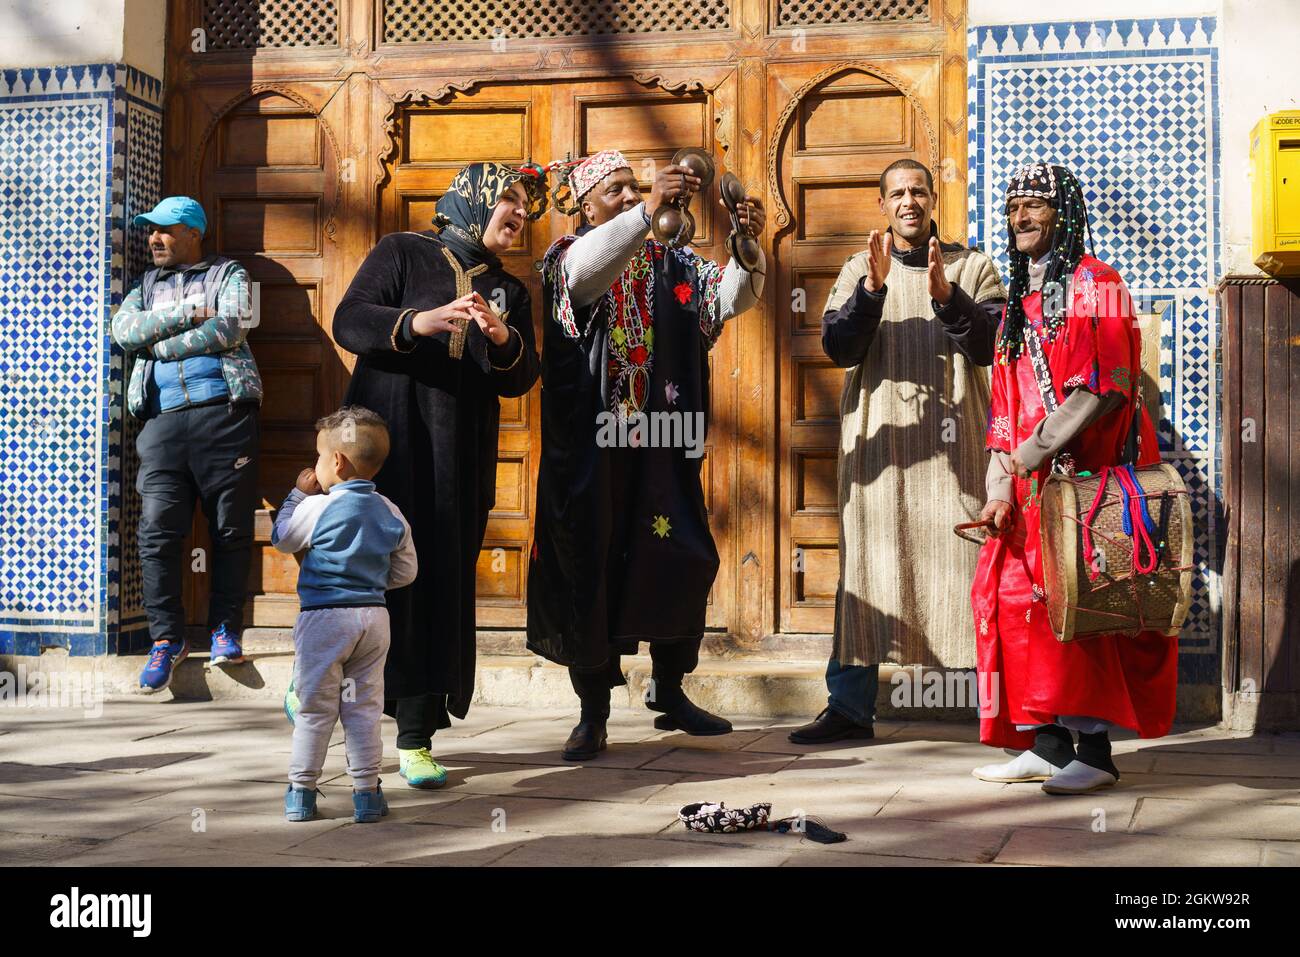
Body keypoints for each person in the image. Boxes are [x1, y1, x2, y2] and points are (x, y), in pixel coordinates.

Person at [526, 150, 766, 760]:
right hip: (592, 453)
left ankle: (670, 689)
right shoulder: (567, 256)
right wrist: (648, 210)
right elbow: (587, 271)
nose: (633, 197)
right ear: (585, 205)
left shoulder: (674, 262)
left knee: (677, 554)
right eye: (617, 190)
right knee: (594, 566)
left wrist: (746, 245)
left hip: (664, 442)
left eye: (637, 188)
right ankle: (593, 712)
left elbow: (729, 299)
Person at [332, 163, 545, 789]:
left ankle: (417, 734)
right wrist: (412, 324)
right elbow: (349, 320)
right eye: (508, 199)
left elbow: (521, 376)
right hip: (387, 446)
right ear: (471, 200)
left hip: (458, 457)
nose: (520, 214)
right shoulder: (402, 252)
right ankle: (323, 683)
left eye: (527, 207)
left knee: (437, 581)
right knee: (366, 574)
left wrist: (506, 341)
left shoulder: (510, 290)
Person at [970, 162, 1174, 795]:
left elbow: (1104, 389)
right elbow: (1002, 406)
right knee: (1012, 603)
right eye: (1013, 207)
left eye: (1035, 205)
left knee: (1077, 609)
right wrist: (998, 489)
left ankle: (1094, 750)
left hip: (1081, 484)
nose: (1021, 217)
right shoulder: (1017, 305)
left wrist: (1032, 454)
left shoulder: (1098, 284)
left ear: (1064, 214)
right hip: (1027, 486)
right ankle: (1047, 742)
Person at [789, 159, 1006, 744]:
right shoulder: (861, 266)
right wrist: (873, 291)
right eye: (897, 194)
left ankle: (1003, 710)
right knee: (868, 566)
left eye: (918, 191)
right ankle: (850, 708)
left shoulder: (975, 266)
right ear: (882, 206)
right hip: (880, 452)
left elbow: (991, 347)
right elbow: (837, 346)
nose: (908, 202)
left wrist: (946, 296)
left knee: (973, 569)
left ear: (933, 200)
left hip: (955, 451)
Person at [110, 196, 262, 692]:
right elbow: (123, 330)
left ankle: (224, 629)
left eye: (165, 230)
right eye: (150, 230)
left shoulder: (229, 274)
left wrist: (161, 344)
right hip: (161, 425)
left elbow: (233, 325)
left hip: (225, 417)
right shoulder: (145, 285)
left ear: (194, 232)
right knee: (157, 533)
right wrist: (187, 312)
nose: (153, 238)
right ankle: (165, 640)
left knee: (229, 530)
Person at [272, 407, 417, 823]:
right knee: (364, 708)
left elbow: (282, 539)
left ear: (336, 462)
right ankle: (367, 795)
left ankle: (301, 793)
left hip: (324, 619)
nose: (316, 466)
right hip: (373, 619)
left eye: (319, 456)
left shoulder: (316, 508)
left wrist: (297, 495)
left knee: (315, 710)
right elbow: (406, 572)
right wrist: (368, 582)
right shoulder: (390, 510)